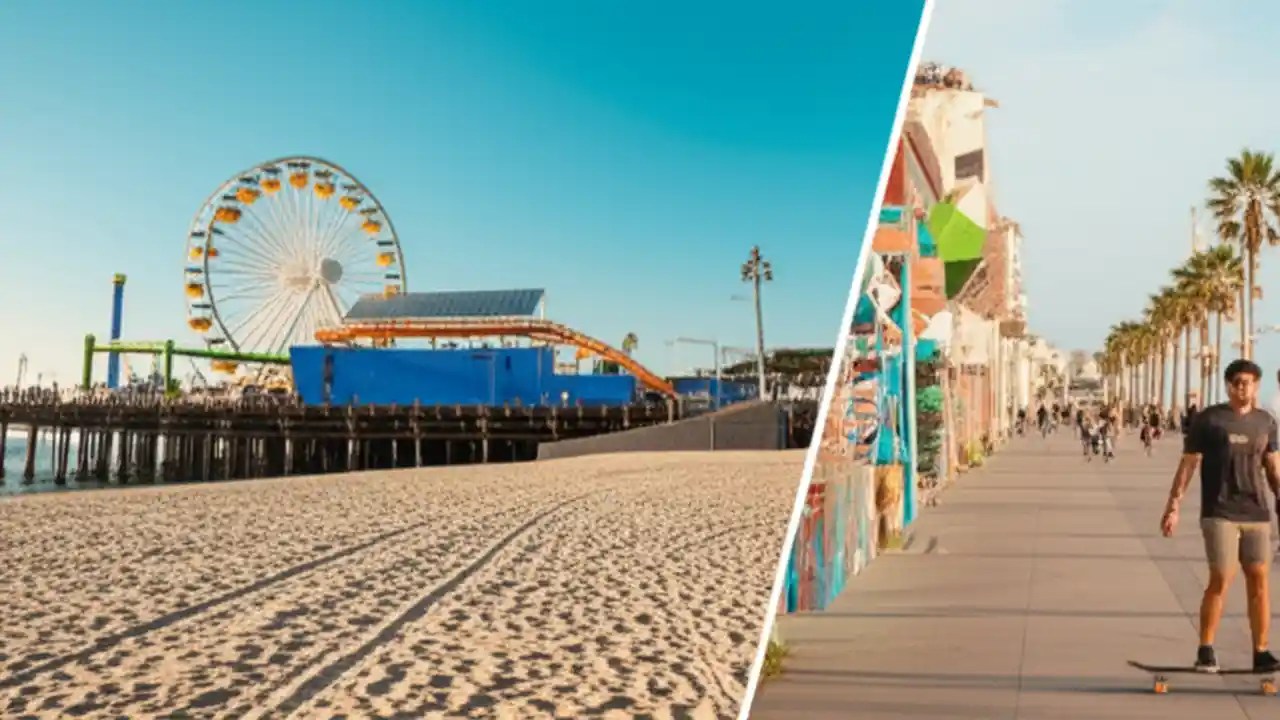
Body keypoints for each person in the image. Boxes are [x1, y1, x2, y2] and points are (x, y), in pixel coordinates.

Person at [1161, 359, 1280, 673]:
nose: (1243, 388)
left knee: (1259, 580)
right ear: (1229, 385)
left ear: (1256, 386)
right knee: (1221, 578)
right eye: (1238, 382)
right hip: (1219, 511)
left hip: (1256, 512)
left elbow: (1272, 466)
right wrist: (1174, 505)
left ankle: (1261, 651)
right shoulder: (1210, 420)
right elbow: (1188, 463)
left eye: (1250, 382)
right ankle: (1206, 648)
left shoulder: (1266, 422)